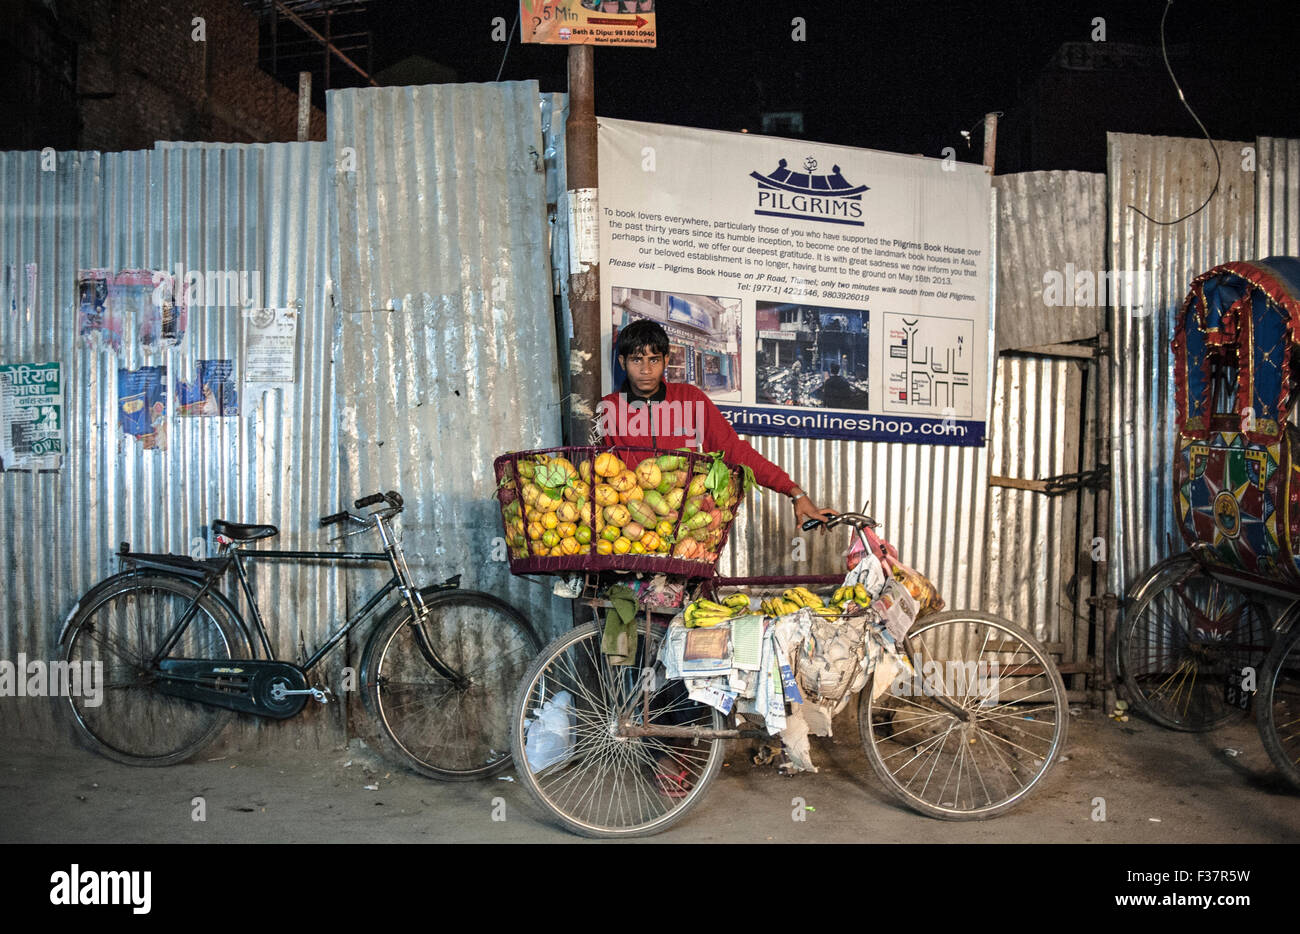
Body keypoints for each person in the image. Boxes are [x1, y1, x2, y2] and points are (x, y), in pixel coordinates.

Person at [598, 319, 834, 528]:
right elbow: (595, 474)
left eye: (654, 359)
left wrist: (794, 491)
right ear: (622, 362)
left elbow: (733, 450)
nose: (646, 370)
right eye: (636, 360)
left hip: (683, 525)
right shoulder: (608, 408)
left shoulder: (689, 398)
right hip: (626, 528)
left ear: (666, 360)